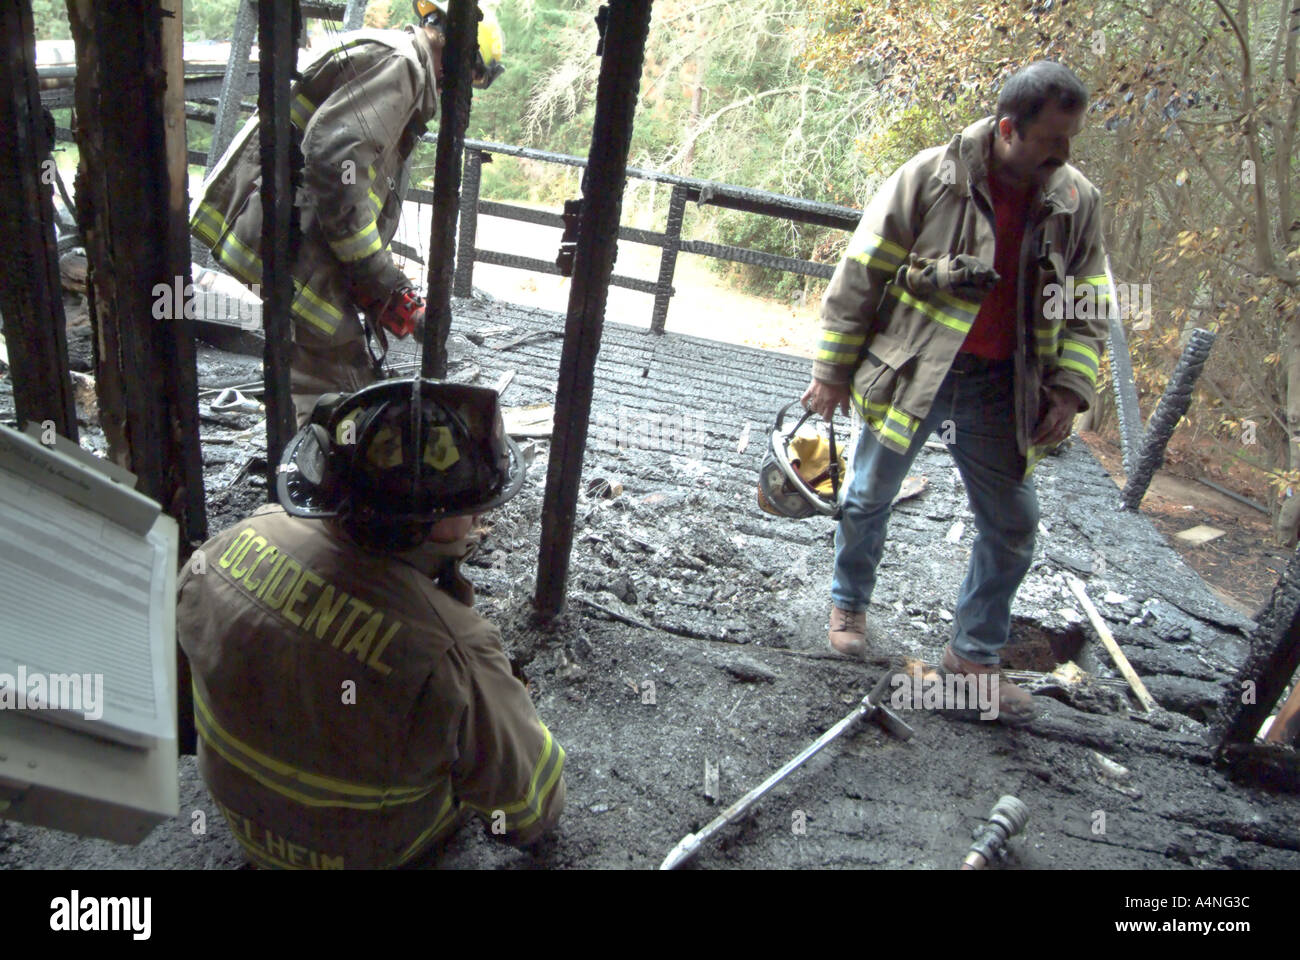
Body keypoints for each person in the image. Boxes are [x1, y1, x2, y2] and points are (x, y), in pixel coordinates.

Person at [802, 61, 1109, 725]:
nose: (1064, 155)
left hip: (1004, 389)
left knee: (1013, 523)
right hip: (913, 375)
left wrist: (1069, 389)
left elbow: (1089, 301)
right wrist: (831, 371)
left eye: (1071, 140)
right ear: (1007, 129)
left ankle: (973, 657)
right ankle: (849, 601)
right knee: (865, 494)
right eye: (1053, 141)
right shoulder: (928, 177)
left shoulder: (1076, 201)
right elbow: (861, 272)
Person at [176, 378, 564, 868]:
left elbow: (184, 705)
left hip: (245, 827)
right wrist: (502, 699)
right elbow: (532, 809)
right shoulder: (452, 650)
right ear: (439, 523)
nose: (476, 519)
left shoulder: (226, 547)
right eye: (470, 508)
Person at [191, 2, 505, 426]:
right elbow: (338, 165)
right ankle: (326, 471)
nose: (461, 90)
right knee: (338, 377)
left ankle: (309, 460)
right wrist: (378, 275)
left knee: (322, 369)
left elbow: (351, 170)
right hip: (291, 229)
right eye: (470, 78)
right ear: (460, 52)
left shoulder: (395, 58)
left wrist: (381, 286)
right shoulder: (403, 67)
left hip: (291, 224)